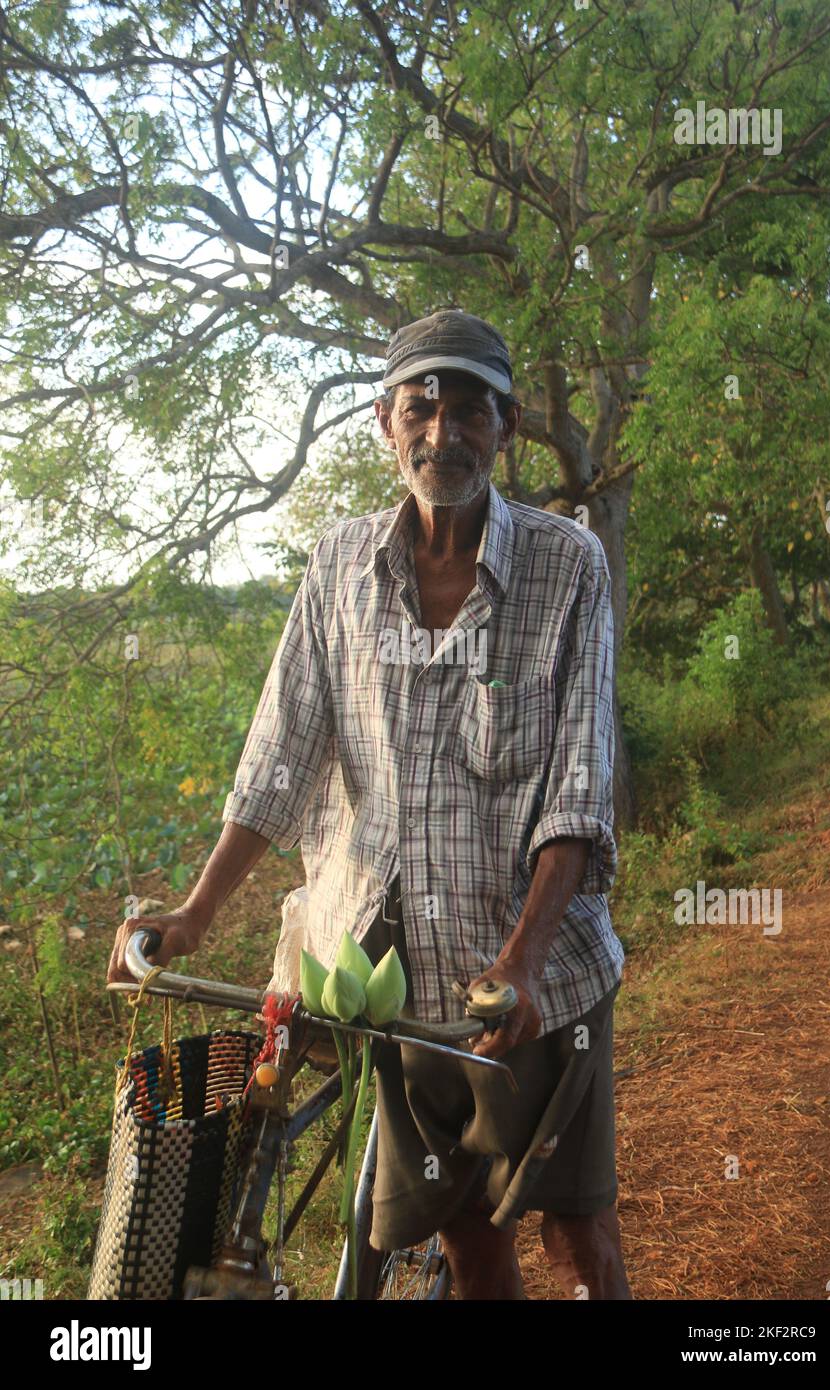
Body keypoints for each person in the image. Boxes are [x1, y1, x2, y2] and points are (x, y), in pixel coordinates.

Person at [108, 308, 631, 1301]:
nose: (444, 431)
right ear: (383, 424)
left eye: (468, 408)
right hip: (386, 976)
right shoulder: (339, 566)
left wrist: (518, 964)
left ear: (504, 425)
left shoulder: (568, 567)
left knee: (579, 1234)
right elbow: (279, 756)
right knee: (465, 1230)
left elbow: (578, 787)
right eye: (420, 406)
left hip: (535, 975)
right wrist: (192, 913)